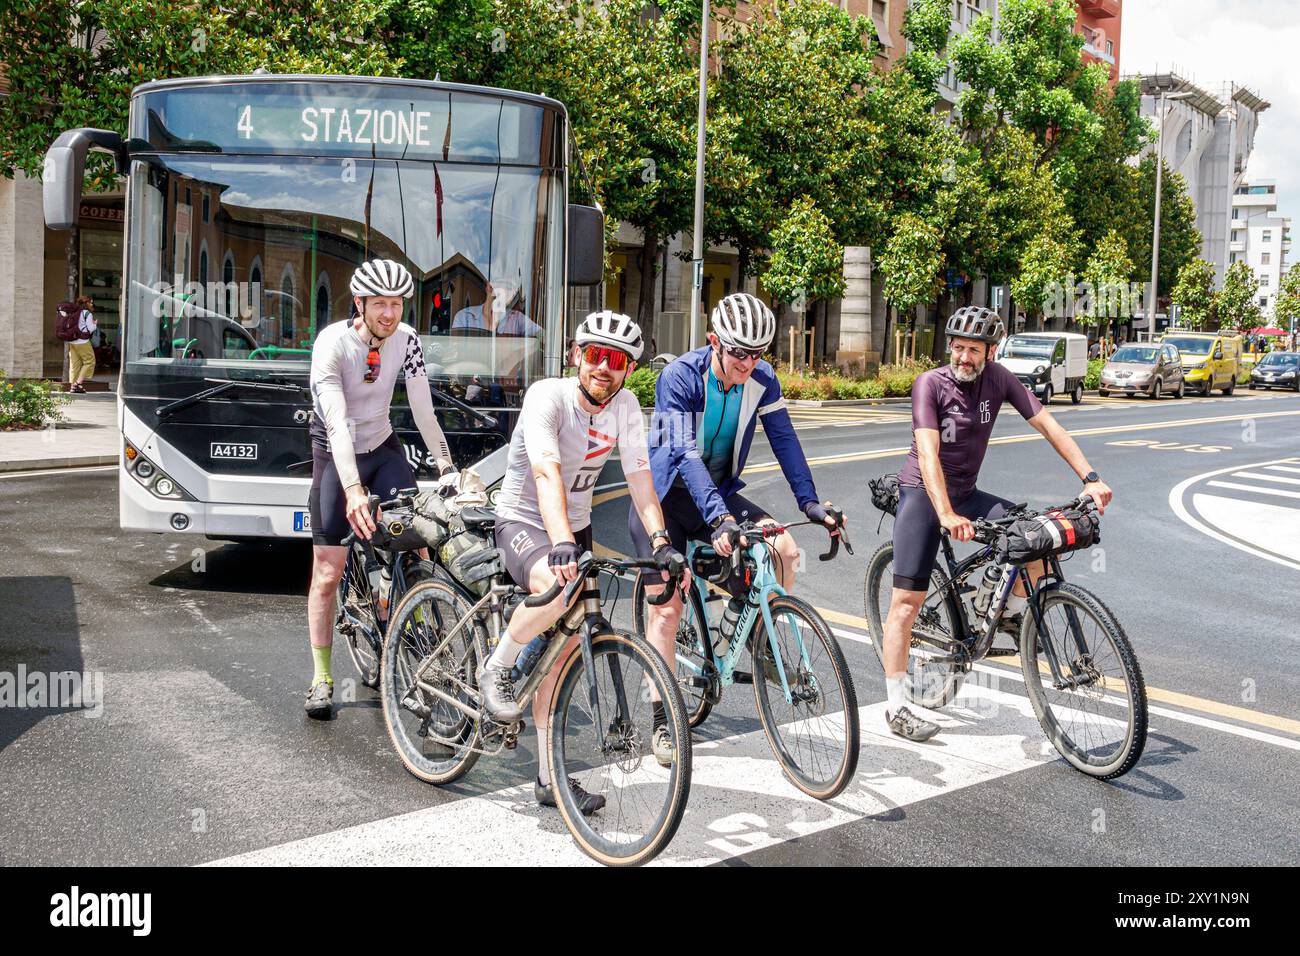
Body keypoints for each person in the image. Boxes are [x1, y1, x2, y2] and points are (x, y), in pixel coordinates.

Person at [481, 309, 686, 814]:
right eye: (596, 355)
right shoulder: (546, 397)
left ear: (628, 370)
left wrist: (660, 541)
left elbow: (641, 482)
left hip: (575, 527)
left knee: (566, 647)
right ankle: (498, 665)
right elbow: (547, 474)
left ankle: (549, 778)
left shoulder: (628, 407)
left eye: (617, 360)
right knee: (557, 585)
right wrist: (561, 541)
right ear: (577, 355)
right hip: (525, 518)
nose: (604, 368)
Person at [881, 306, 1113, 742]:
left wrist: (1090, 477)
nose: (965, 357)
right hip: (923, 495)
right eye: (959, 347)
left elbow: (1048, 424)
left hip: (967, 492)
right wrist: (946, 513)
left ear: (991, 351)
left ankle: (1008, 612)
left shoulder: (1000, 379)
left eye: (975, 350)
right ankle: (896, 707)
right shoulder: (929, 384)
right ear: (950, 346)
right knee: (906, 604)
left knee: (1036, 542)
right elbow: (928, 454)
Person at [632, 292, 844, 682]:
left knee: (783, 548)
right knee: (666, 612)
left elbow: (785, 440)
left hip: (717, 495)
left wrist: (809, 503)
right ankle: (663, 719)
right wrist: (721, 519)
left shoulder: (763, 380)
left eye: (758, 353)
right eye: (738, 352)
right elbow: (684, 453)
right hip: (664, 500)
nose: (747, 363)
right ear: (714, 341)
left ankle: (757, 637)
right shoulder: (680, 376)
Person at [304, 259, 458, 719]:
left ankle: (420, 643)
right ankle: (321, 676)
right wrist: (352, 489)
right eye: (379, 305)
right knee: (327, 571)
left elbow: (423, 410)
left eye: (396, 304)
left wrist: (448, 469)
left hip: (381, 443)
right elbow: (335, 425)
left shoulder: (407, 341)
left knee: (421, 545)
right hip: (335, 450)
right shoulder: (332, 344)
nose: (389, 314)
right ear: (360, 304)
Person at [451, 280, 541, 337]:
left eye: (513, 289)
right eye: (507, 287)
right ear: (489, 287)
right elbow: (457, 350)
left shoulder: (517, 318)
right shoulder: (464, 316)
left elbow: (543, 335)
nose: (512, 293)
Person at [68, 296, 97, 393]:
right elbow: (90, 328)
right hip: (82, 341)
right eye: (91, 302)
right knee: (89, 361)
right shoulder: (87, 313)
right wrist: (95, 324)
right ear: (86, 303)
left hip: (72, 341)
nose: (92, 304)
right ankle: (78, 383)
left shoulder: (73, 312)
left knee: (75, 364)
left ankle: (73, 386)